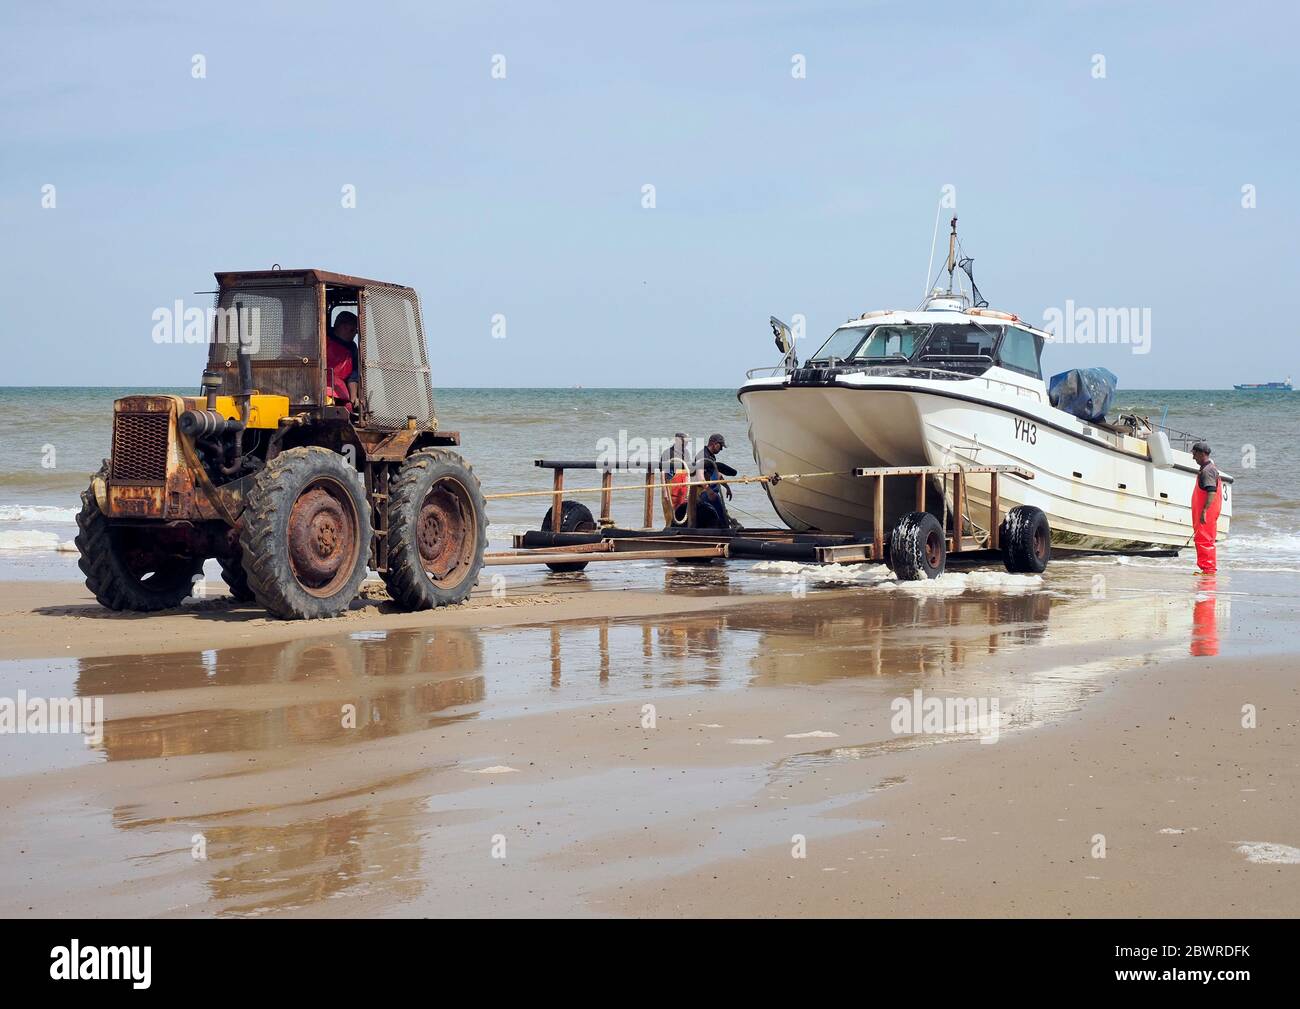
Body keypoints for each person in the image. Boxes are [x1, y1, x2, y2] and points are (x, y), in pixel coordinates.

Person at [1190, 440, 1221, 574]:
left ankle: (1208, 569)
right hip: (1205, 511)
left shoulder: (1208, 471)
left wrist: (1204, 511)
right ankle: (1206, 568)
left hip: (1206, 511)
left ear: (1203, 454)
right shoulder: (1208, 468)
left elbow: (1211, 492)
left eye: (1195, 454)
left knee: (1204, 539)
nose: (1193, 457)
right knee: (1203, 538)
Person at [693, 433, 736, 528]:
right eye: (720, 446)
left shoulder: (711, 456)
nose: (721, 449)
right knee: (718, 515)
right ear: (714, 443)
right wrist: (709, 491)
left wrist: (727, 487)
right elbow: (700, 476)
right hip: (703, 492)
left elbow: (717, 474)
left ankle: (723, 528)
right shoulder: (702, 455)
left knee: (721, 513)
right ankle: (724, 531)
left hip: (711, 491)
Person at [326, 311, 362, 412]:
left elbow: (353, 376)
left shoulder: (352, 348)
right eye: (352, 330)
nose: (355, 333)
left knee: (348, 408)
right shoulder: (321, 338)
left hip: (339, 389)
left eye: (356, 331)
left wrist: (353, 398)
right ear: (343, 327)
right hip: (316, 386)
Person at [659, 433, 691, 523]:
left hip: (683, 487)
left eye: (688, 442)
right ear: (677, 440)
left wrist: (689, 488)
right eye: (685, 442)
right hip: (670, 487)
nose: (687, 444)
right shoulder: (667, 453)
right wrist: (664, 491)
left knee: (682, 512)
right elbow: (662, 472)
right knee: (669, 514)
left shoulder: (687, 453)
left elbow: (688, 472)